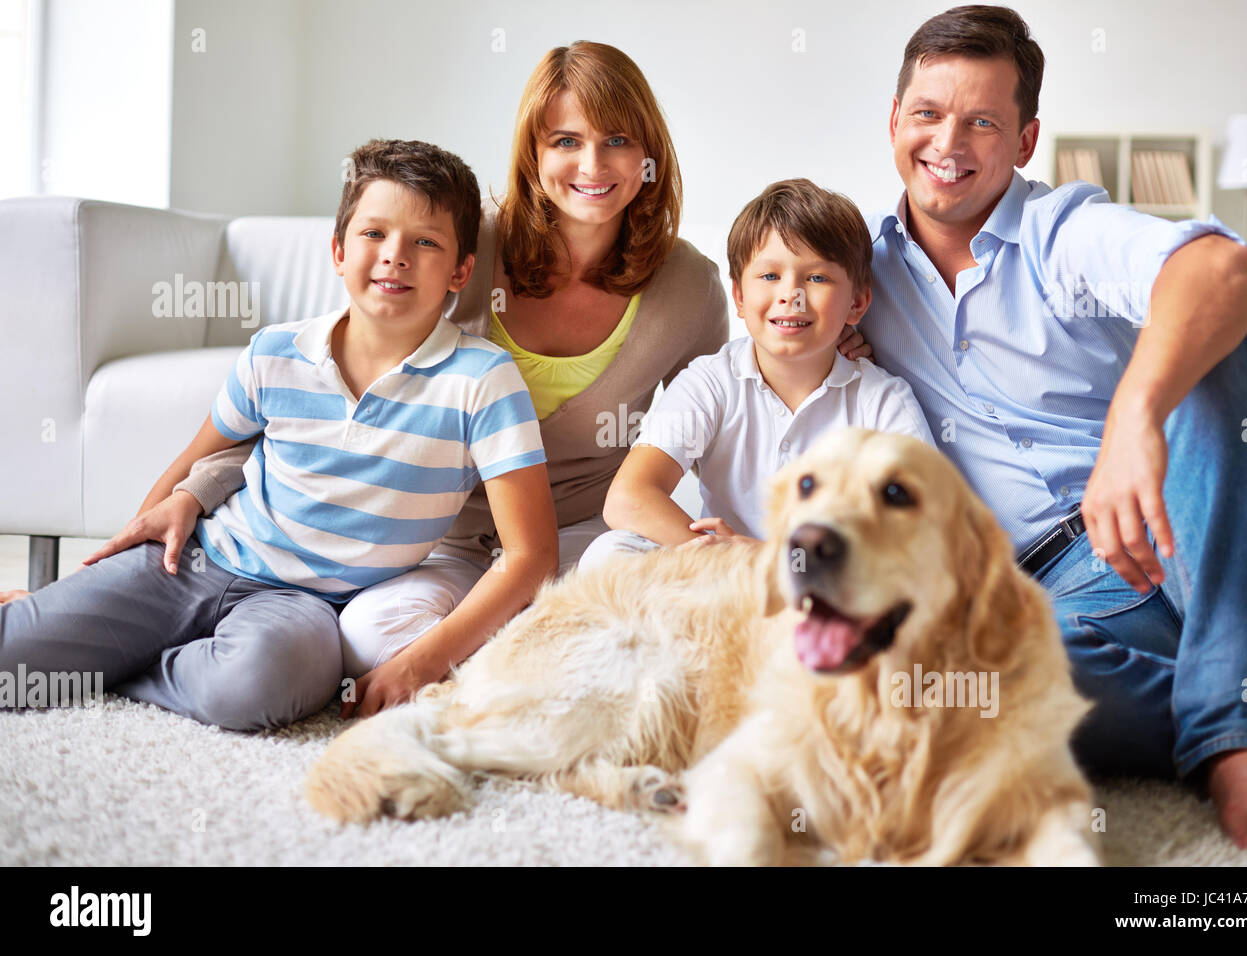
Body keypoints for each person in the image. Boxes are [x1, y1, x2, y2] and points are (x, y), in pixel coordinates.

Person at [75, 41, 873, 719]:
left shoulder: (690, 288)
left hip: (579, 536)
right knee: (368, 640)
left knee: (620, 628)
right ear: (533, 152)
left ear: (648, 157)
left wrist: (838, 345)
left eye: (616, 141)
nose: (590, 166)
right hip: (445, 537)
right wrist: (197, 488)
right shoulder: (463, 248)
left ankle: (527, 675)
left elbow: (730, 397)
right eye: (564, 140)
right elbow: (327, 386)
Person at [860, 4, 1247, 851]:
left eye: (982, 121)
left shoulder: (1062, 230)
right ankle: (1239, 704)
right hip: (1044, 605)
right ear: (895, 121)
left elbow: (1222, 266)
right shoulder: (862, 274)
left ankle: (1242, 742)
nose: (948, 141)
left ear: (1024, 141)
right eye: (928, 113)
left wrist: (1134, 420)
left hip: (1169, 533)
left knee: (1218, 355)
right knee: (952, 677)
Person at [0, 139, 556, 731]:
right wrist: (134, 544)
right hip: (194, 560)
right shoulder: (275, 351)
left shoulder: (483, 380)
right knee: (15, 663)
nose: (395, 256)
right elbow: (196, 460)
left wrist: (421, 663)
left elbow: (531, 555)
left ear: (460, 271)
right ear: (339, 251)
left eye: (425, 242)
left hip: (303, 607)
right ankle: (66, 628)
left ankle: (128, 669)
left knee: (260, 685)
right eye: (374, 234)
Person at [582, 178, 932, 567]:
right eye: (769, 276)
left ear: (857, 302)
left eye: (817, 278)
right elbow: (629, 497)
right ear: (740, 298)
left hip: (828, 585)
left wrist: (771, 562)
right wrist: (728, 563)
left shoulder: (883, 400)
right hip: (721, 580)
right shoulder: (712, 381)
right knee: (609, 553)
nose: (791, 295)